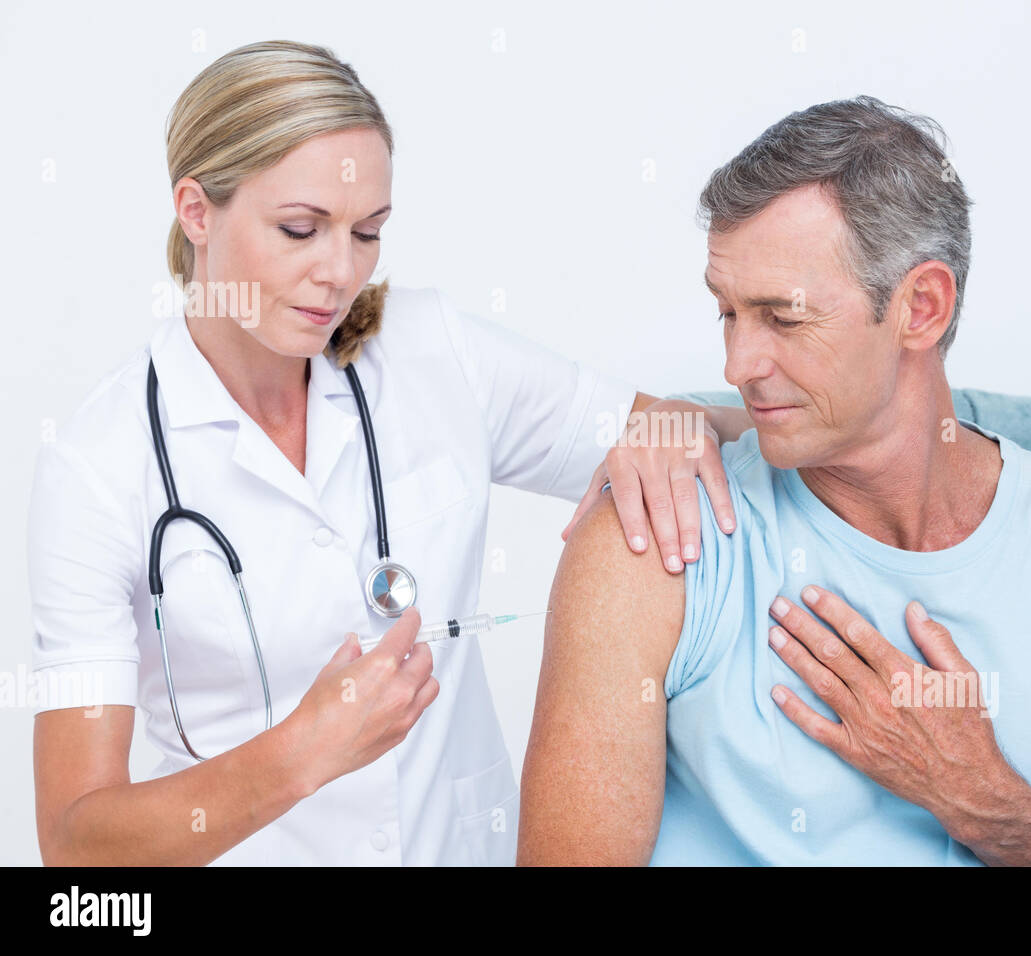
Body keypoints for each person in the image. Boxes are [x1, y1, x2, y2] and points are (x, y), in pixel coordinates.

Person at [27, 40, 750, 866]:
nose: (339, 273)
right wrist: (303, 751)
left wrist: (682, 423)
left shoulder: (429, 350)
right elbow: (76, 840)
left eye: (367, 232)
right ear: (196, 210)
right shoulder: (96, 466)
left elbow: (657, 424)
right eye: (299, 229)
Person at [517, 96, 1031, 866]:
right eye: (728, 314)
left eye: (784, 318)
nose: (737, 366)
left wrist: (989, 807)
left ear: (921, 308)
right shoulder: (657, 537)